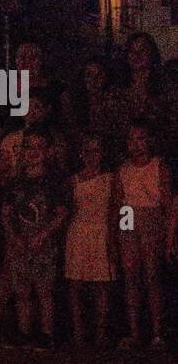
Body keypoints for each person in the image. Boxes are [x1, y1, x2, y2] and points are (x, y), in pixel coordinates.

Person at [0, 128, 68, 349]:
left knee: (43, 290)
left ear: (47, 152)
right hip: (19, 243)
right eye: (29, 147)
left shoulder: (52, 182)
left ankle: (46, 334)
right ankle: (24, 333)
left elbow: (62, 214)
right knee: (21, 290)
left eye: (38, 147)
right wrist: (13, 237)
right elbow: (5, 213)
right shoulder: (16, 182)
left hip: (43, 244)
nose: (33, 152)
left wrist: (43, 235)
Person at [117, 121, 170, 349]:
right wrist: (121, 234)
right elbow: (121, 204)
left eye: (141, 139)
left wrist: (169, 233)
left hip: (151, 219)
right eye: (131, 140)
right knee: (131, 277)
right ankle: (134, 331)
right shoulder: (124, 169)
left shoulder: (159, 166)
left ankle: (157, 333)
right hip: (130, 219)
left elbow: (166, 202)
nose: (136, 145)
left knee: (152, 276)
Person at [63, 135, 117, 347]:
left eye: (96, 151)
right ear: (81, 153)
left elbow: (114, 209)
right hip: (78, 231)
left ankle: (100, 332)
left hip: (101, 231)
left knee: (100, 285)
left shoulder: (110, 179)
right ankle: (78, 332)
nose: (91, 156)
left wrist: (112, 237)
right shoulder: (73, 180)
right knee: (75, 284)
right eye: (88, 151)